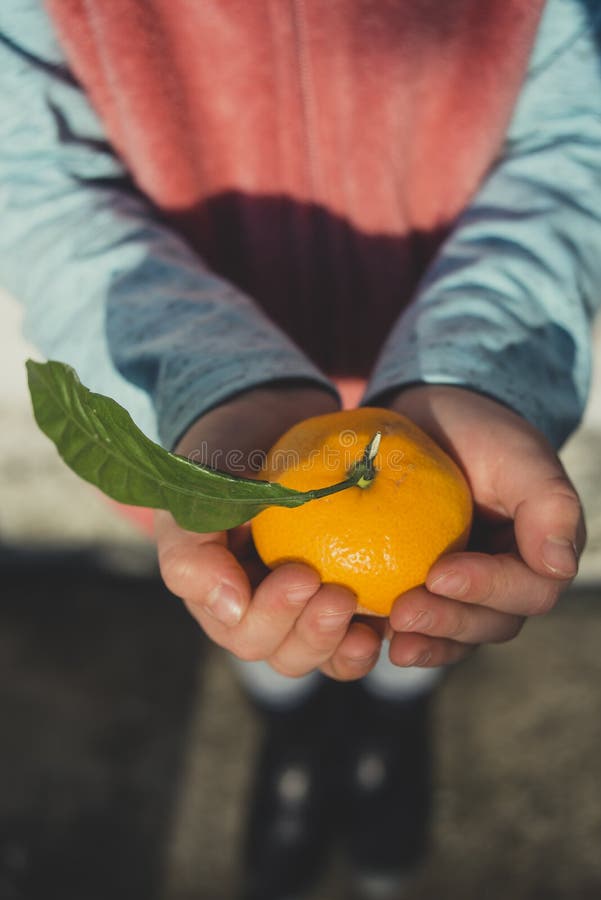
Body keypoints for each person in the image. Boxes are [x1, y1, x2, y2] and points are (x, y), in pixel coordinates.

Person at [1, 1, 599, 897]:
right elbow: (37, 178)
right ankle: (289, 734)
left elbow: (570, 146)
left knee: (425, 607)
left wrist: (474, 366)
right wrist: (217, 384)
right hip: (214, 414)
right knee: (250, 596)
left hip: (438, 380)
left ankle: (393, 729)